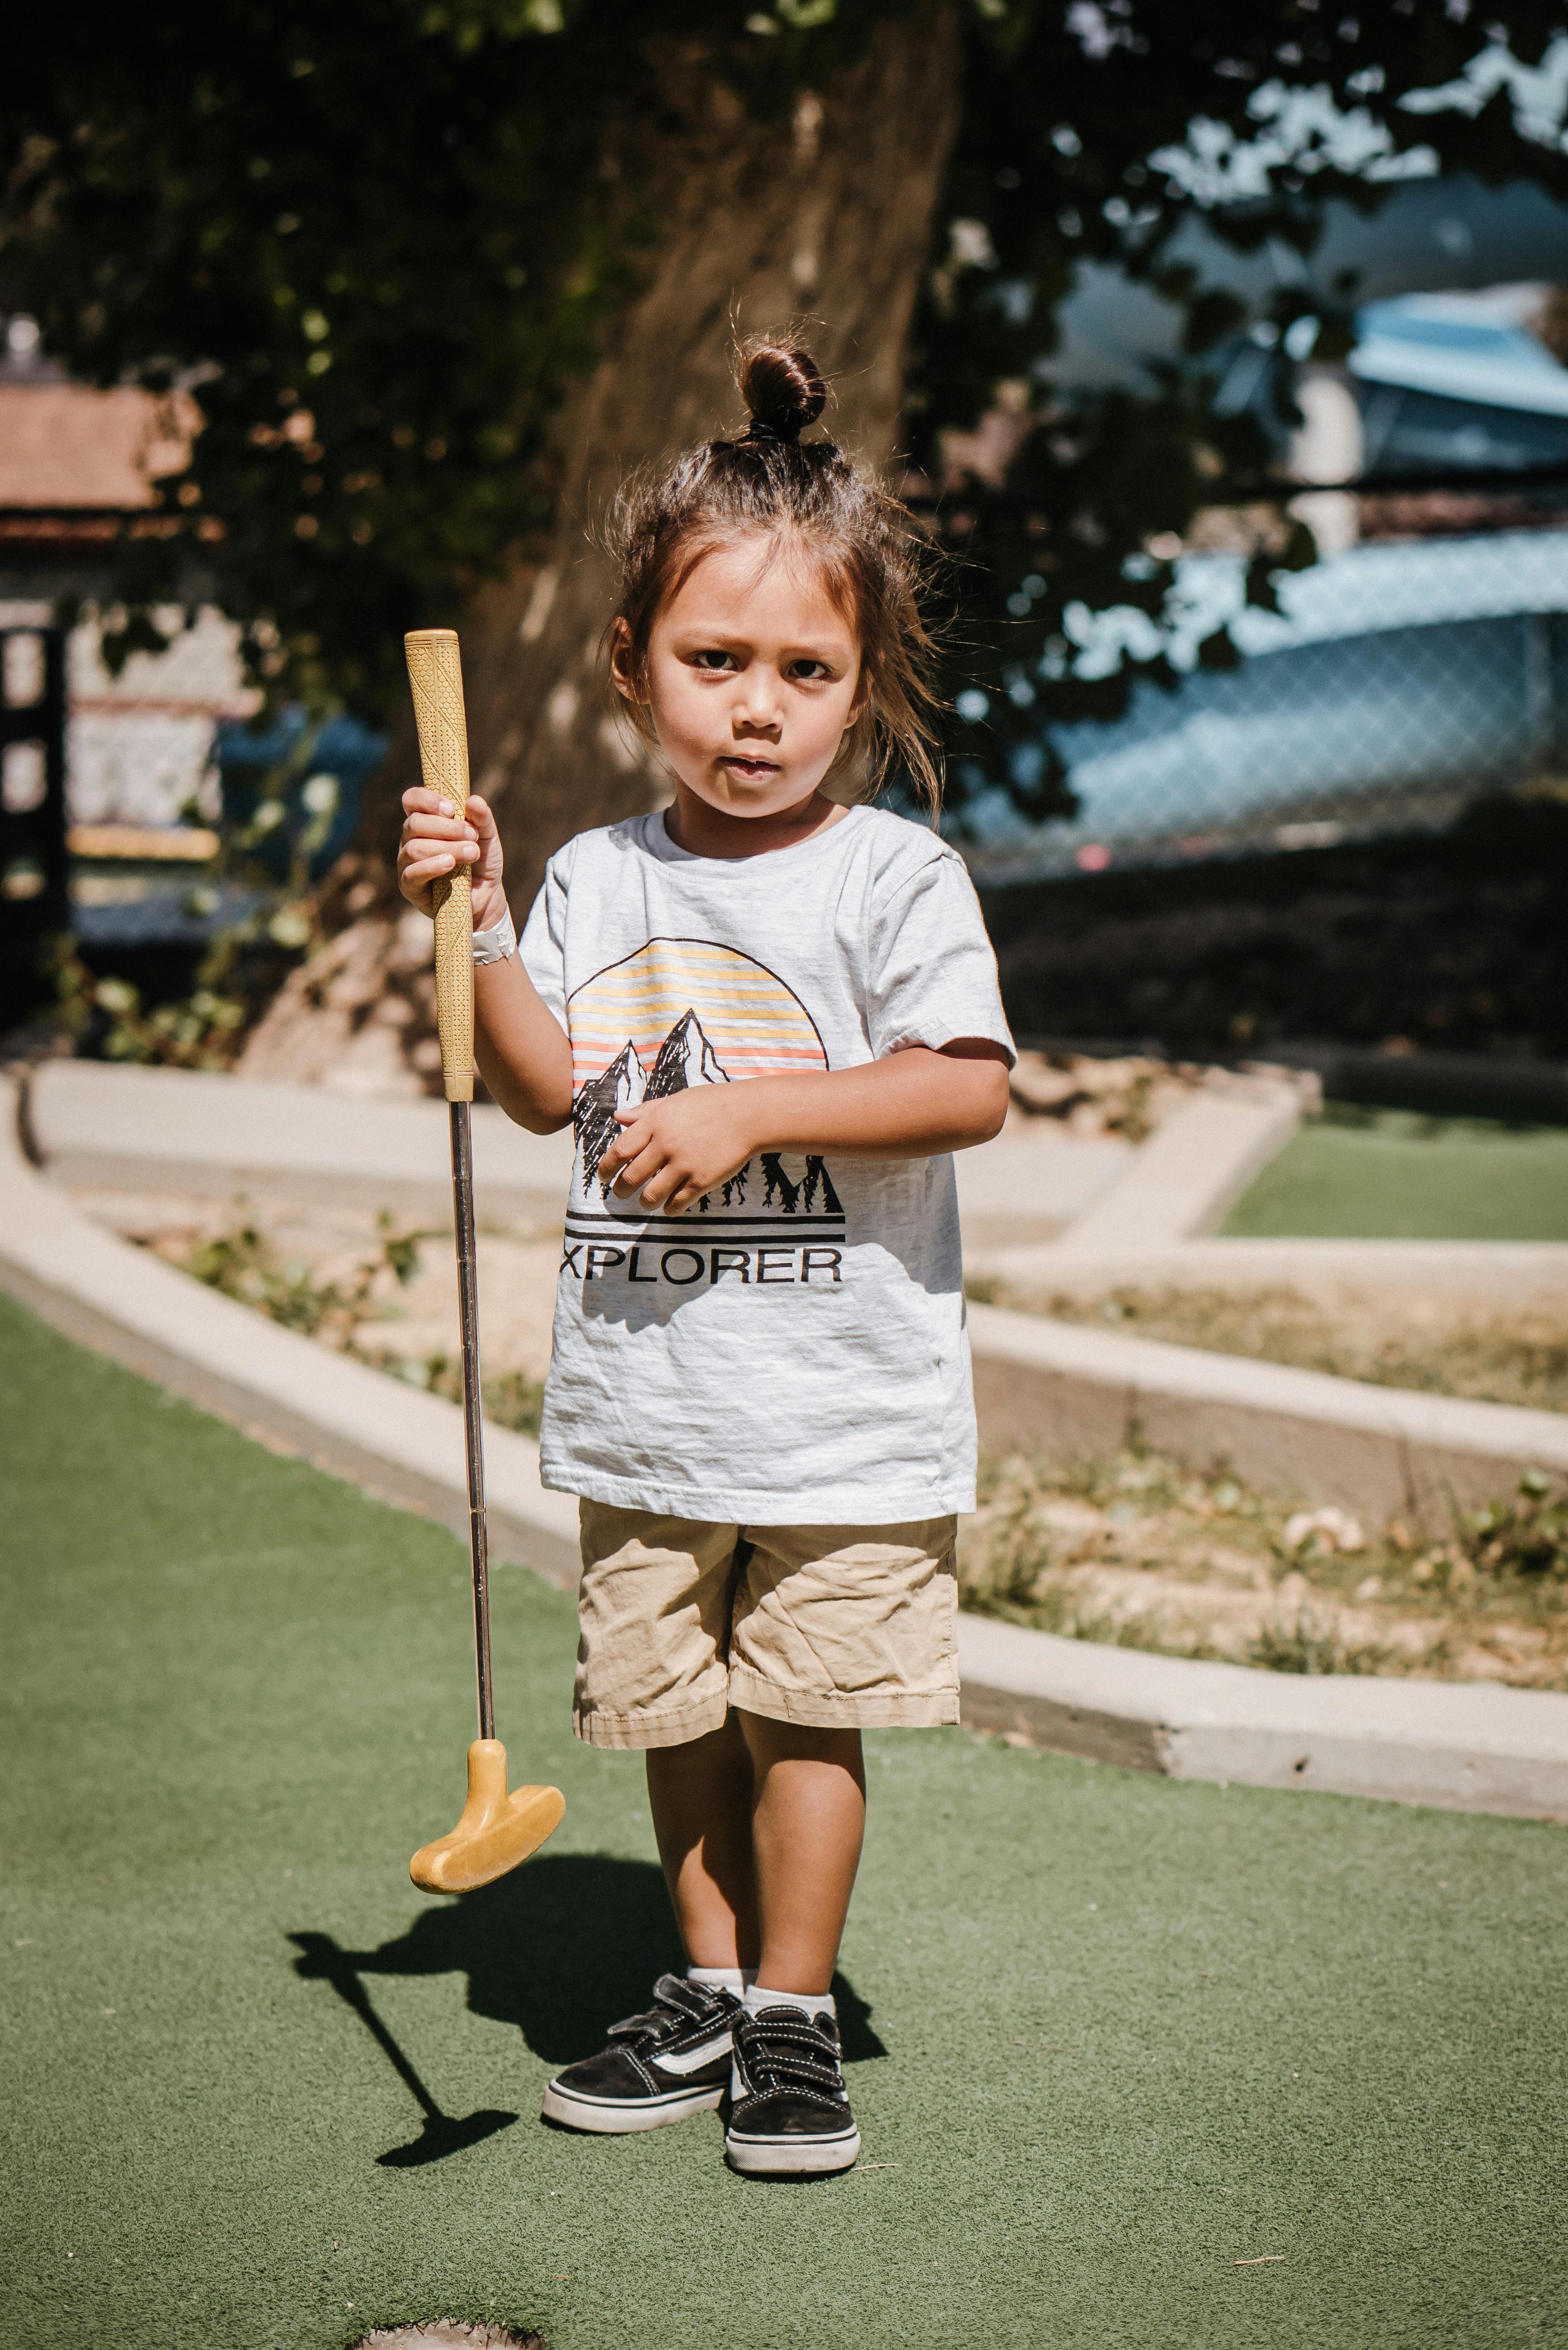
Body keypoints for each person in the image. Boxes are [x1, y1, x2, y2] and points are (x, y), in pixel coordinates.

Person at [397, 340, 1015, 2178]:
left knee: (801, 1708)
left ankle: (796, 2014)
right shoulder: (595, 877)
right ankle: (707, 1979)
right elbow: (530, 1087)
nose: (757, 707)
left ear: (863, 685)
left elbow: (964, 1088)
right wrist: (479, 914)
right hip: (653, 1398)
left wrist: (749, 1114)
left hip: (841, 1405)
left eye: (805, 670)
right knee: (675, 1711)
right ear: (631, 666)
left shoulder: (893, 881)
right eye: (713, 660)